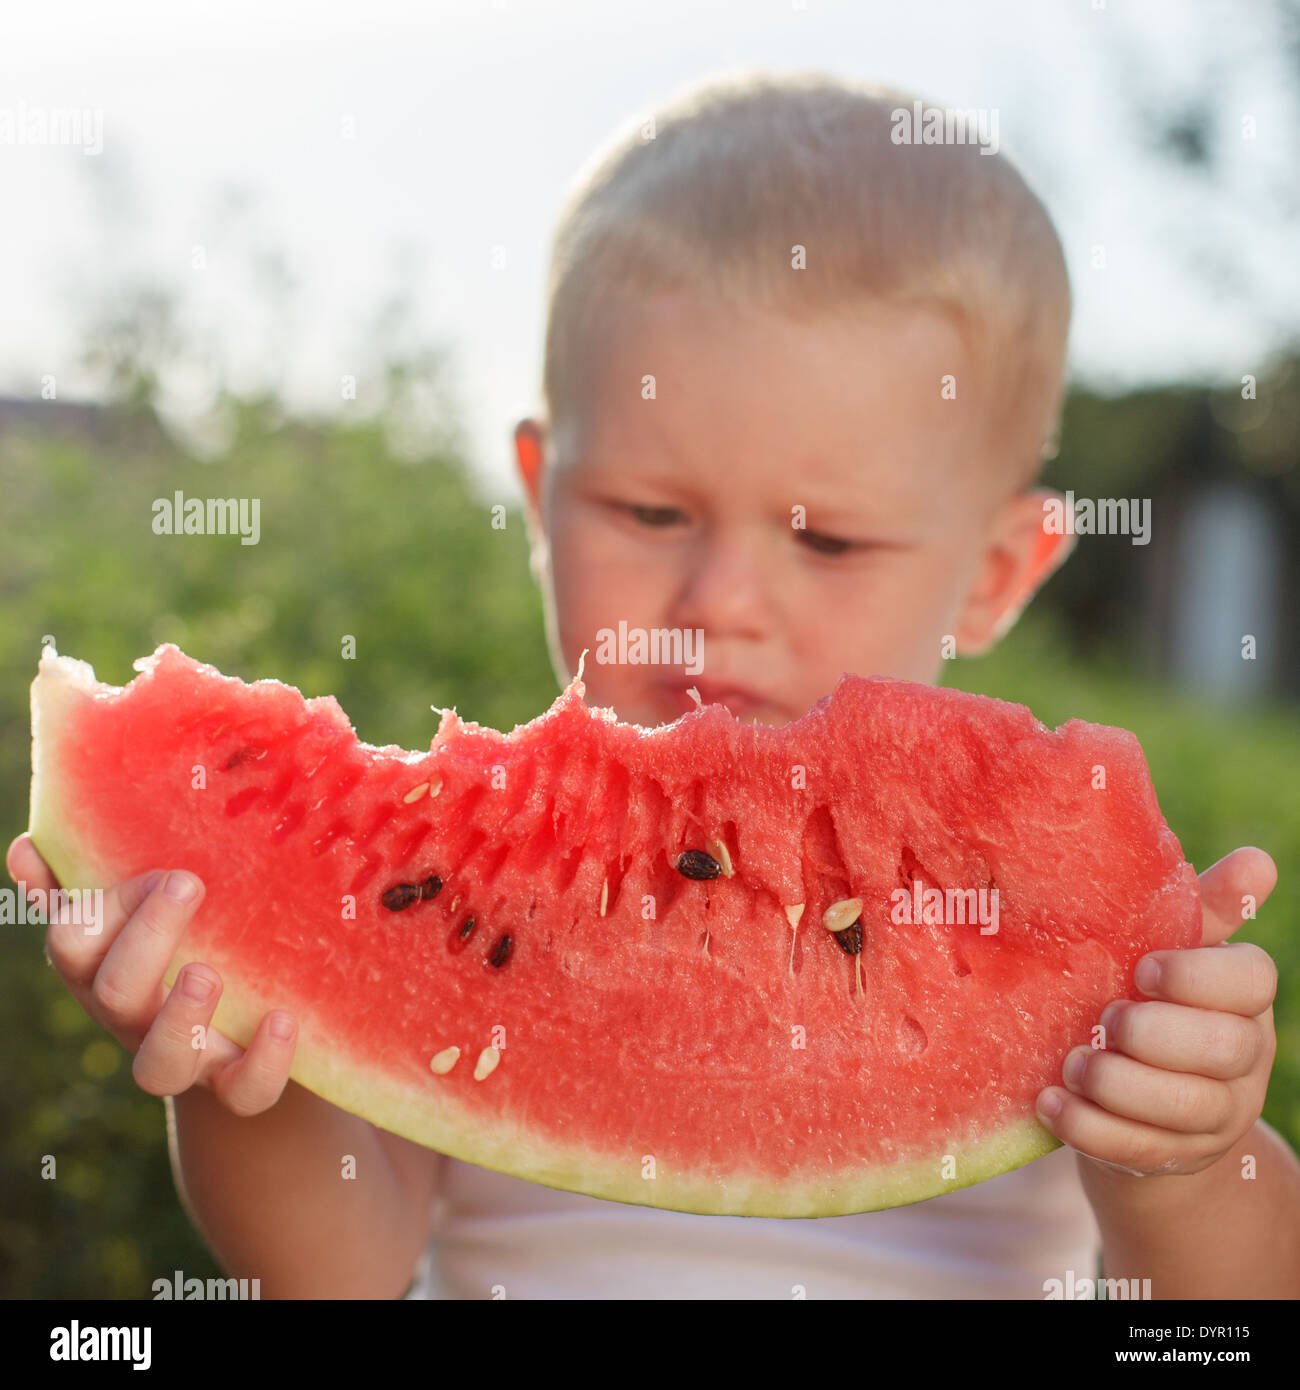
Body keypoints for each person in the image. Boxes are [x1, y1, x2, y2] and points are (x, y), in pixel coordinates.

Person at [9, 69, 1295, 1299]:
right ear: (538, 498)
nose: (719, 604)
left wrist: (1185, 1164)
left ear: (997, 570)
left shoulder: (1072, 952)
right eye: (647, 510)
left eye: (826, 539)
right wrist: (248, 1046)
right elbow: (334, 1274)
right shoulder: (441, 899)